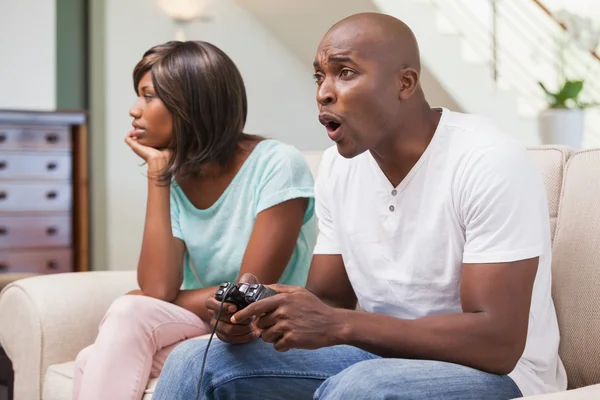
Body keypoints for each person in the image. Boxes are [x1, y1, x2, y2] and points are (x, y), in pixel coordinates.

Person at [152, 13, 567, 400]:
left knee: (360, 388)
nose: (323, 92)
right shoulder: (338, 167)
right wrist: (263, 318)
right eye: (319, 76)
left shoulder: (487, 160)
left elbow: (496, 344)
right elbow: (329, 300)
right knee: (194, 361)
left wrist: (340, 325)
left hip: (501, 374)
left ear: (405, 83)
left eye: (344, 72)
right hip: (377, 356)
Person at [72, 40, 317, 400]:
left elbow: (246, 296)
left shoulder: (277, 164)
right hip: (204, 321)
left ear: (189, 104)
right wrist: (158, 175)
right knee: (96, 350)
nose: (134, 110)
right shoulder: (174, 174)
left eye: (148, 96)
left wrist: (166, 297)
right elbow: (158, 288)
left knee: (103, 343)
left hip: (260, 330)